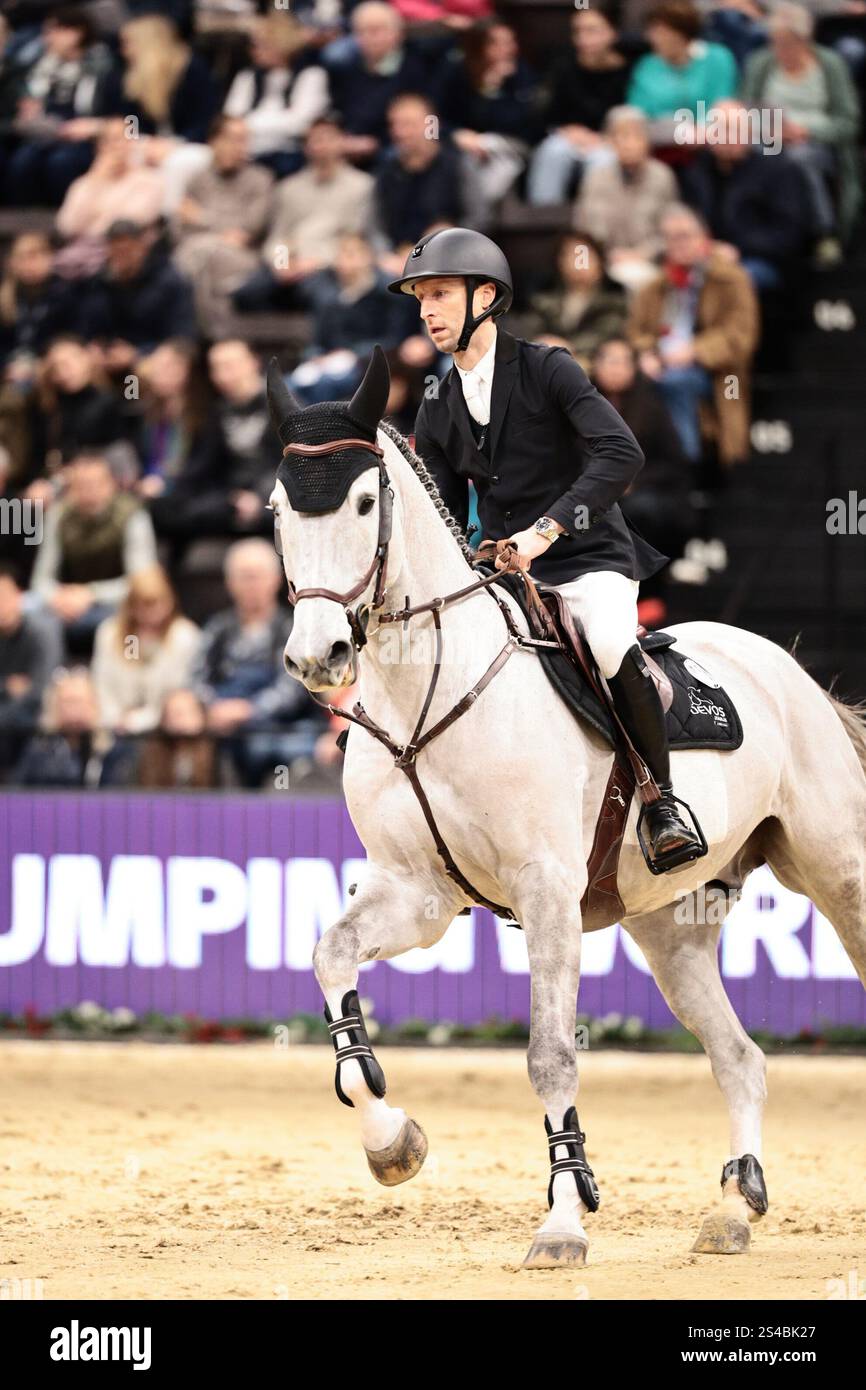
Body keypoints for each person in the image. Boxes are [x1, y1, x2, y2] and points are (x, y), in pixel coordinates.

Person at [390, 225, 704, 869]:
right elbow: (446, 516)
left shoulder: (547, 368)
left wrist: (547, 529)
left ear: (486, 297)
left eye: (441, 294)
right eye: (420, 298)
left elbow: (622, 452)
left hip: (589, 558)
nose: (427, 310)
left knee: (613, 645)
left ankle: (662, 801)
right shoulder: (436, 404)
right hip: (508, 571)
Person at [627, 203, 759, 468]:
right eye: (670, 238)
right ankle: (630, 467)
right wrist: (648, 354)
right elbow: (636, 331)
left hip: (715, 370)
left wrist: (694, 351)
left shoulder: (731, 279)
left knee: (677, 381)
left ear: (703, 237)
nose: (678, 244)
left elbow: (741, 335)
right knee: (625, 378)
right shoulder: (654, 286)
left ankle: (685, 465)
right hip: (662, 363)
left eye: (685, 236)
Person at [191, 538, 326, 787]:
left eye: (257, 576)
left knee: (269, 747)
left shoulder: (293, 629)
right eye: (243, 576)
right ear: (230, 583)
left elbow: (294, 686)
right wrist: (213, 708)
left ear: (275, 580)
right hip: (221, 723)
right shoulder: (218, 629)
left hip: (278, 727)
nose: (250, 585)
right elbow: (197, 678)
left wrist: (250, 711)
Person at [739, 2, 862, 254]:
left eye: (786, 43)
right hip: (768, 135)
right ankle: (753, 228)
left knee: (797, 158)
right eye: (775, 41)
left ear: (805, 39)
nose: (779, 49)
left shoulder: (830, 65)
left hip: (818, 142)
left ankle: (824, 231)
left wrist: (806, 131)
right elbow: (745, 108)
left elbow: (848, 122)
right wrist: (772, 129)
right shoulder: (761, 62)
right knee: (759, 153)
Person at [29, 451, 158, 655]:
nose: (89, 491)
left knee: (133, 621)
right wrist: (58, 597)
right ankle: (48, 681)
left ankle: (121, 680)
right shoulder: (59, 515)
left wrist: (91, 593)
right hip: (65, 603)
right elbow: (40, 579)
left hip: (115, 602)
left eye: (96, 483)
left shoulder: (133, 516)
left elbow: (142, 583)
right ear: (71, 489)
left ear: (111, 484)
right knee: (25, 612)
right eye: (81, 485)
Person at [679, 99, 814, 290]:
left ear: (750, 133)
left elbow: (789, 234)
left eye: (734, 130)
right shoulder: (698, 170)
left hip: (761, 259)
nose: (726, 137)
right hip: (706, 256)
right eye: (719, 130)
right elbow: (688, 219)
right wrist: (703, 247)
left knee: (727, 279)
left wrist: (738, 250)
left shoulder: (779, 170)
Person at [172, 115, 274, 337]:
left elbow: (248, 231)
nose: (239, 147)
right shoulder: (197, 180)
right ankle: (214, 338)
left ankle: (204, 338)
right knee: (199, 255)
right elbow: (179, 230)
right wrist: (221, 230)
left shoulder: (260, 180)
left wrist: (202, 218)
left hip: (245, 258)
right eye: (232, 139)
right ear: (213, 142)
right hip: (197, 253)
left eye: (244, 140)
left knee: (203, 253)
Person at [527, 4, 631, 206]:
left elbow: (629, 114)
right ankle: (544, 220)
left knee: (603, 161)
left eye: (592, 31)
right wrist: (565, 130)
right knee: (552, 151)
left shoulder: (629, 71)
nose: (583, 38)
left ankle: (598, 227)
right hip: (569, 138)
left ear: (612, 33)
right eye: (578, 31)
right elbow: (543, 116)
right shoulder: (562, 67)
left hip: (609, 142)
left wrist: (606, 137)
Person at [574, 105, 679, 292]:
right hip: (603, 264)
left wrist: (642, 254)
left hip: (651, 263)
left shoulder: (663, 177)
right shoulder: (596, 178)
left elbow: (671, 232)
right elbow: (581, 232)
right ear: (611, 141)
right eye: (622, 136)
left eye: (637, 135)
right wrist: (583, 265)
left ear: (648, 141)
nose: (629, 143)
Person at [91, 564, 200, 733]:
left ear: (170, 601)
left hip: (165, 728)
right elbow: (102, 686)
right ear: (131, 606)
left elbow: (181, 693)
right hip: (117, 725)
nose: (152, 614)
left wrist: (143, 720)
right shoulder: (115, 635)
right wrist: (115, 718)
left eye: (157, 604)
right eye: (144, 605)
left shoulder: (183, 636)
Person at [222, 12, 329, 178]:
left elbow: (300, 122)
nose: (254, 51)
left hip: (288, 149)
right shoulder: (248, 76)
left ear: (280, 44)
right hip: (246, 148)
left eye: (261, 45)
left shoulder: (310, 74)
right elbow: (232, 117)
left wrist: (250, 124)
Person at [521, 231, 627, 371]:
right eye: (572, 255)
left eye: (584, 255)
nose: (579, 263)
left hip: (595, 362)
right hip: (547, 360)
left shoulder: (614, 298)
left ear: (600, 261)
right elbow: (529, 330)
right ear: (560, 262)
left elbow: (607, 333)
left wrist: (566, 348)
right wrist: (543, 343)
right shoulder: (544, 298)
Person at [0, 561, 62, 769]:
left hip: (36, 721)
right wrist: (6, 686)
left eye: (5, 596)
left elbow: (41, 691)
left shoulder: (43, 631)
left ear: (20, 596)